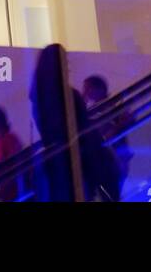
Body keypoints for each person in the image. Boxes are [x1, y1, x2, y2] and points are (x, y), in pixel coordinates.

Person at [30, 44, 107, 201]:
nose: (68, 66)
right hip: (77, 163)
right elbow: (83, 131)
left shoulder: (38, 97)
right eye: (65, 61)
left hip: (55, 165)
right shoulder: (69, 96)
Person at [82, 74, 134, 198]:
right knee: (109, 193)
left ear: (99, 89)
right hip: (108, 159)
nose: (86, 92)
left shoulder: (110, 108)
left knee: (110, 193)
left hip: (113, 159)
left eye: (88, 89)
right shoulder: (96, 111)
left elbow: (119, 126)